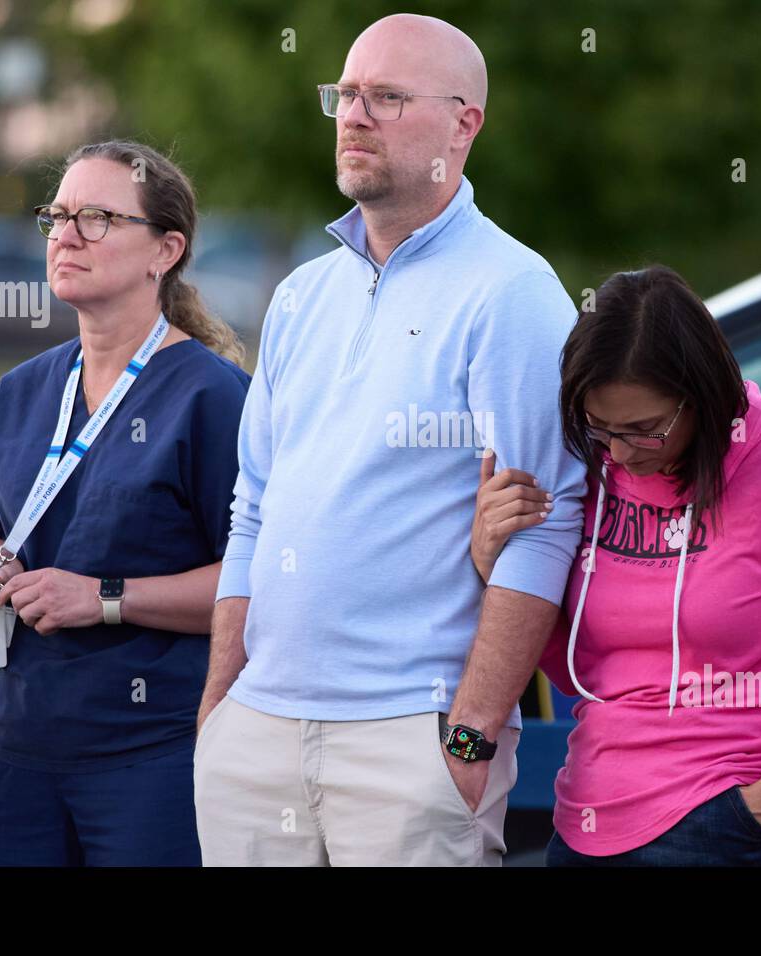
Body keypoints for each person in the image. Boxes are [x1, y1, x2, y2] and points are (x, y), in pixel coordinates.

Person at [193, 14, 587, 866]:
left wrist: (471, 739)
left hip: (412, 736)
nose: (354, 114)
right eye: (345, 93)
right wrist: (221, 703)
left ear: (464, 123)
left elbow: (547, 526)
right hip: (256, 737)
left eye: (387, 97)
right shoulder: (301, 295)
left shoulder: (512, 292)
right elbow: (252, 509)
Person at [471, 264, 761, 866]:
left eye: (646, 430)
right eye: (601, 429)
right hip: (587, 826)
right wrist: (494, 563)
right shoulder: (591, 475)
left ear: (701, 395)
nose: (621, 453)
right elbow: (582, 669)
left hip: (746, 828)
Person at [0, 140, 249, 866]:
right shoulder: (20, 391)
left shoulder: (212, 398)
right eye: (57, 215)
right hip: (18, 750)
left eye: (98, 217)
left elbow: (254, 584)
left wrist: (105, 597)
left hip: (149, 755)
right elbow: (1, 533)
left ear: (164, 251)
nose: (66, 234)